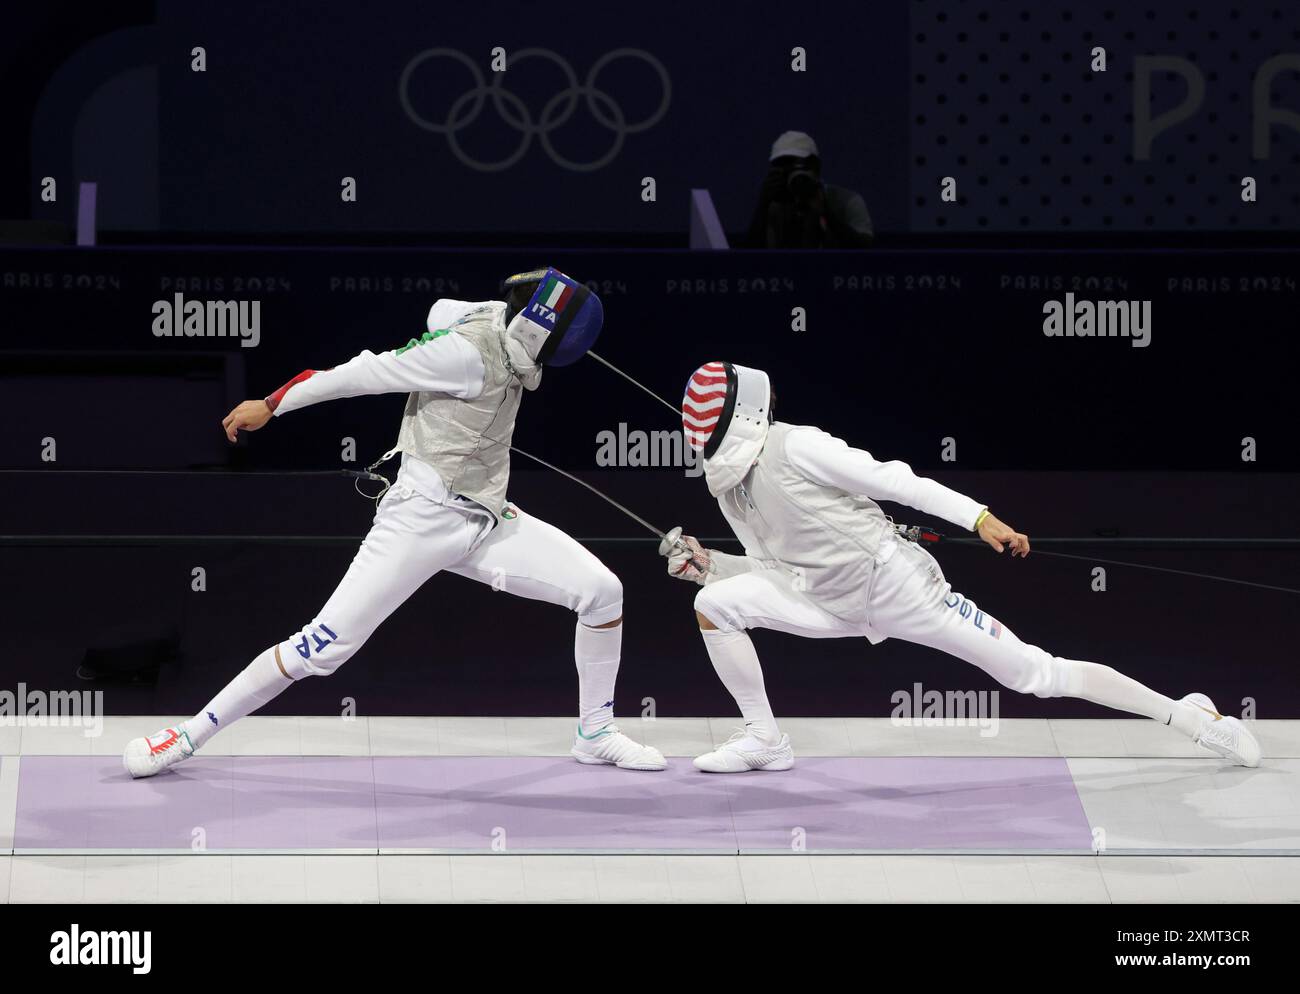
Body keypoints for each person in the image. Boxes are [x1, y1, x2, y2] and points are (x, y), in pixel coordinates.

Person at [123, 268, 666, 777]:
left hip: (487, 519)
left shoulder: (486, 321)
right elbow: (361, 374)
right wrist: (271, 403)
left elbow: (437, 309)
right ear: (532, 329)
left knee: (602, 591)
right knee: (321, 648)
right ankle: (187, 736)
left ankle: (594, 732)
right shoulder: (465, 357)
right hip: (420, 521)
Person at [664, 360, 1261, 773]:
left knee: (1036, 674)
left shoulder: (797, 445)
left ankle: (1190, 718)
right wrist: (713, 565)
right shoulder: (731, 488)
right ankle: (766, 740)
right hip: (826, 601)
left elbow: (895, 481)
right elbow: (773, 566)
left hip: (900, 589)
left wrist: (978, 517)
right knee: (713, 603)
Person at [746, 131, 874, 248]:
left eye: (797, 168)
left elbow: (866, 254)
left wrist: (826, 213)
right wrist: (763, 205)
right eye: (785, 171)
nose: (792, 177)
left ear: (816, 169)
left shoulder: (847, 202)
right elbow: (750, 263)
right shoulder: (774, 208)